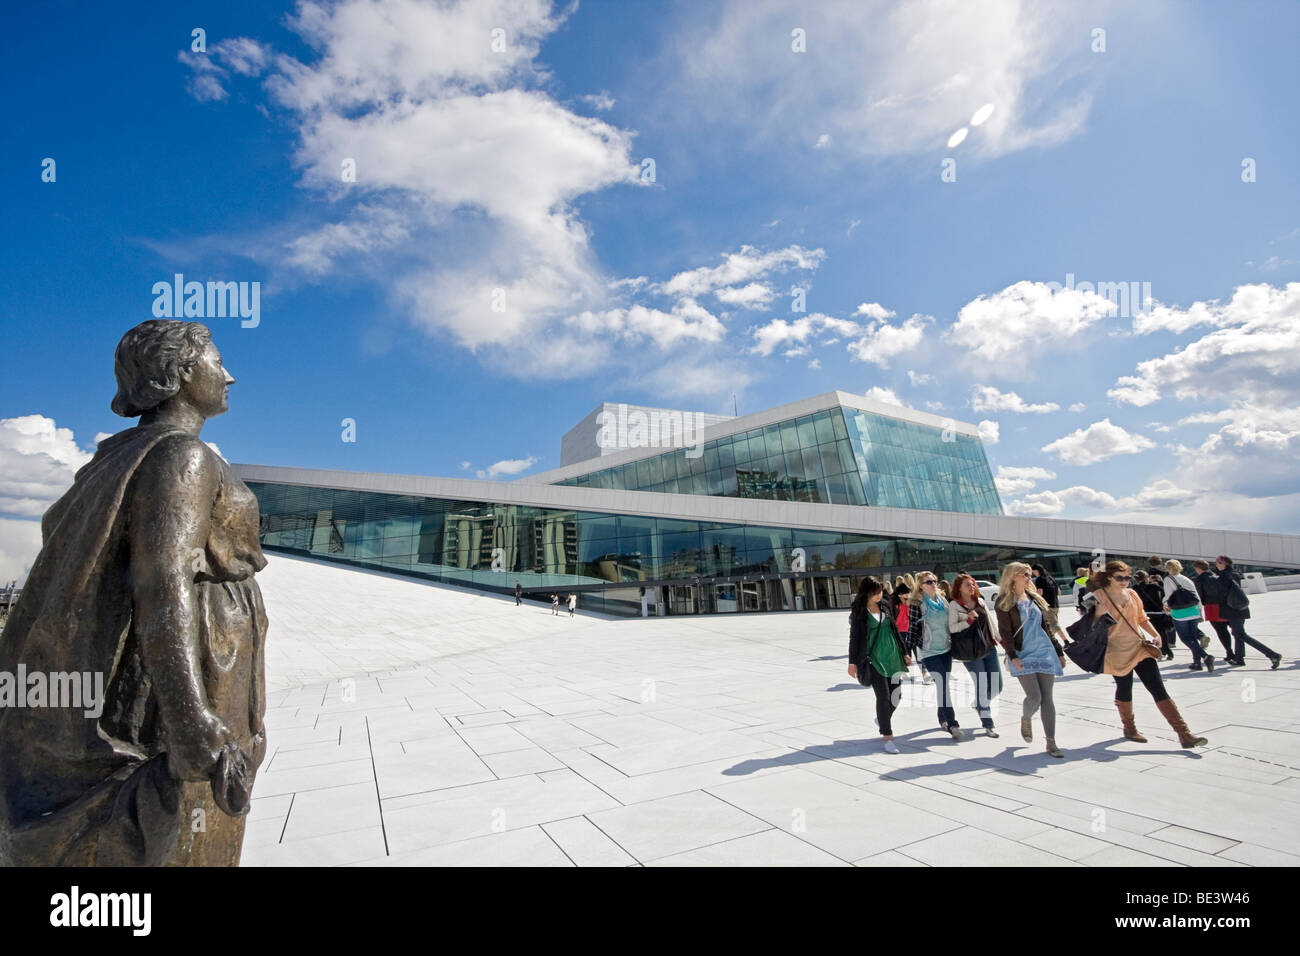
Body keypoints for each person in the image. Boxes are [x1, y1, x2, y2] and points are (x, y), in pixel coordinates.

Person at [0, 319, 267, 866]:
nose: (230, 376)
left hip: (197, 666)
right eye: (217, 362)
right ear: (179, 372)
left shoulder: (113, 458)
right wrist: (190, 717)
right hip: (196, 675)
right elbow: (162, 578)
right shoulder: (182, 457)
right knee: (184, 831)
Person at [1085, 561, 1207, 748]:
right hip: (1116, 650)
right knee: (1125, 688)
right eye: (1120, 577)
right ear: (1108, 577)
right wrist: (1096, 614)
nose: (1125, 581)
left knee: (1158, 688)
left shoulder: (1132, 594)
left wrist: (1155, 634)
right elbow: (1088, 626)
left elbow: (1142, 618)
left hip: (1139, 646)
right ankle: (1130, 728)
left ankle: (1184, 733)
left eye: (1127, 577)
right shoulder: (1096, 596)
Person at [995, 563, 1065, 757]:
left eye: (1028, 574)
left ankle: (1051, 742)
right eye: (1024, 574)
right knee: (1034, 697)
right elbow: (1005, 632)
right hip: (1023, 652)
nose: (1028, 577)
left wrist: (1059, 651)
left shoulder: (1035, 598)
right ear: (1012, 577)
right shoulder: (1004, 601)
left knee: (1047, 698)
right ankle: (1026, 718)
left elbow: (1048, 626)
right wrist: (1012, 656)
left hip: (1044, 651)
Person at [847, 576, 912, 754]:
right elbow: (855, 638)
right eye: (875, 592)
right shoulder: (860, 612)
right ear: (867, 593)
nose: (879, 595)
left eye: (880, 592)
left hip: (892, 655)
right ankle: (887, 737)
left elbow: (895, 629)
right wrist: (852, 662)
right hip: (874, 658)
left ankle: (883, 718)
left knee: (896, 696)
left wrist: (905, 651)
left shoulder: (885, 605)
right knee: (883, 697)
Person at [905, 573, 961, 740]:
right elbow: (912, 629)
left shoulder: (943, 600)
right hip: (929, 652)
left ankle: (942, 718)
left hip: (945, 649)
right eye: (929, 582)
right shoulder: (917, 603)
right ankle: (953, 724)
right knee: (943, 684)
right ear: (920, 585)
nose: (933, 584)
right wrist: (906, 653)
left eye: (935, 581)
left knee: (942, 685)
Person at [948, 573, 1001, 738]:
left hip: (989, 647)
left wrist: (999, 638)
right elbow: (951, 628)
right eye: (967, 585)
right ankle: (988, 724)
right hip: (970, 651)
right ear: (959, 588)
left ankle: (979, 703)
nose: (971, 587)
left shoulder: (980, 601)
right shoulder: (954, 605)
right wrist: (968, 621)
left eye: (972, 584)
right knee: (982, 684)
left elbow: (990, 623)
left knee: (997, 685)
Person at [1212, 556, 1281, 669]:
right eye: (1216, 562)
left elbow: (1222, 594)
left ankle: (1272, 655)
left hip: (1232, 609)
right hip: (1239, 608)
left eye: (1219, 562)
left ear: (1226, 564)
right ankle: (1239, 659)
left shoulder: (1225, 575)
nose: (1217, 564)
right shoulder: (1234, 573)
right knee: (1237, 633)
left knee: (1240, 634)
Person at [1162, 560, 1213, 671]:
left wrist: (1165, 605)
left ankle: (1205, 656)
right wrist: (1200, 612)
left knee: (1185, 637)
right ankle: (1197, 663)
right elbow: (1196, 596)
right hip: (1193, 611)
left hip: (1180, 612)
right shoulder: (1186, 579)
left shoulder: (1168, 579)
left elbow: (1168, 596)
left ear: (1167, 568)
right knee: (1193, 638)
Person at [1192, 559, 1235, 660]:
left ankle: (1229, 652)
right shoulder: (1216, 575)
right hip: (1224, 605)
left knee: (1221, 630)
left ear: (1198, 568)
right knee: (1231, 629)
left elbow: (1199, 595)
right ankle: (1235, 652)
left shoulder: (1199, 579)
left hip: (1211, 606)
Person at [1133, 570, 1175, 661]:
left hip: (1146, 613)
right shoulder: (1153, 586)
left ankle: (1163, 650)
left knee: (1154, 633)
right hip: (1158, 612)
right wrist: (1159, 581)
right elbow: (1165, 592)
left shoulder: (1134, 588)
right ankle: (1167, 651)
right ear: (1146, 577)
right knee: (1162, 632)